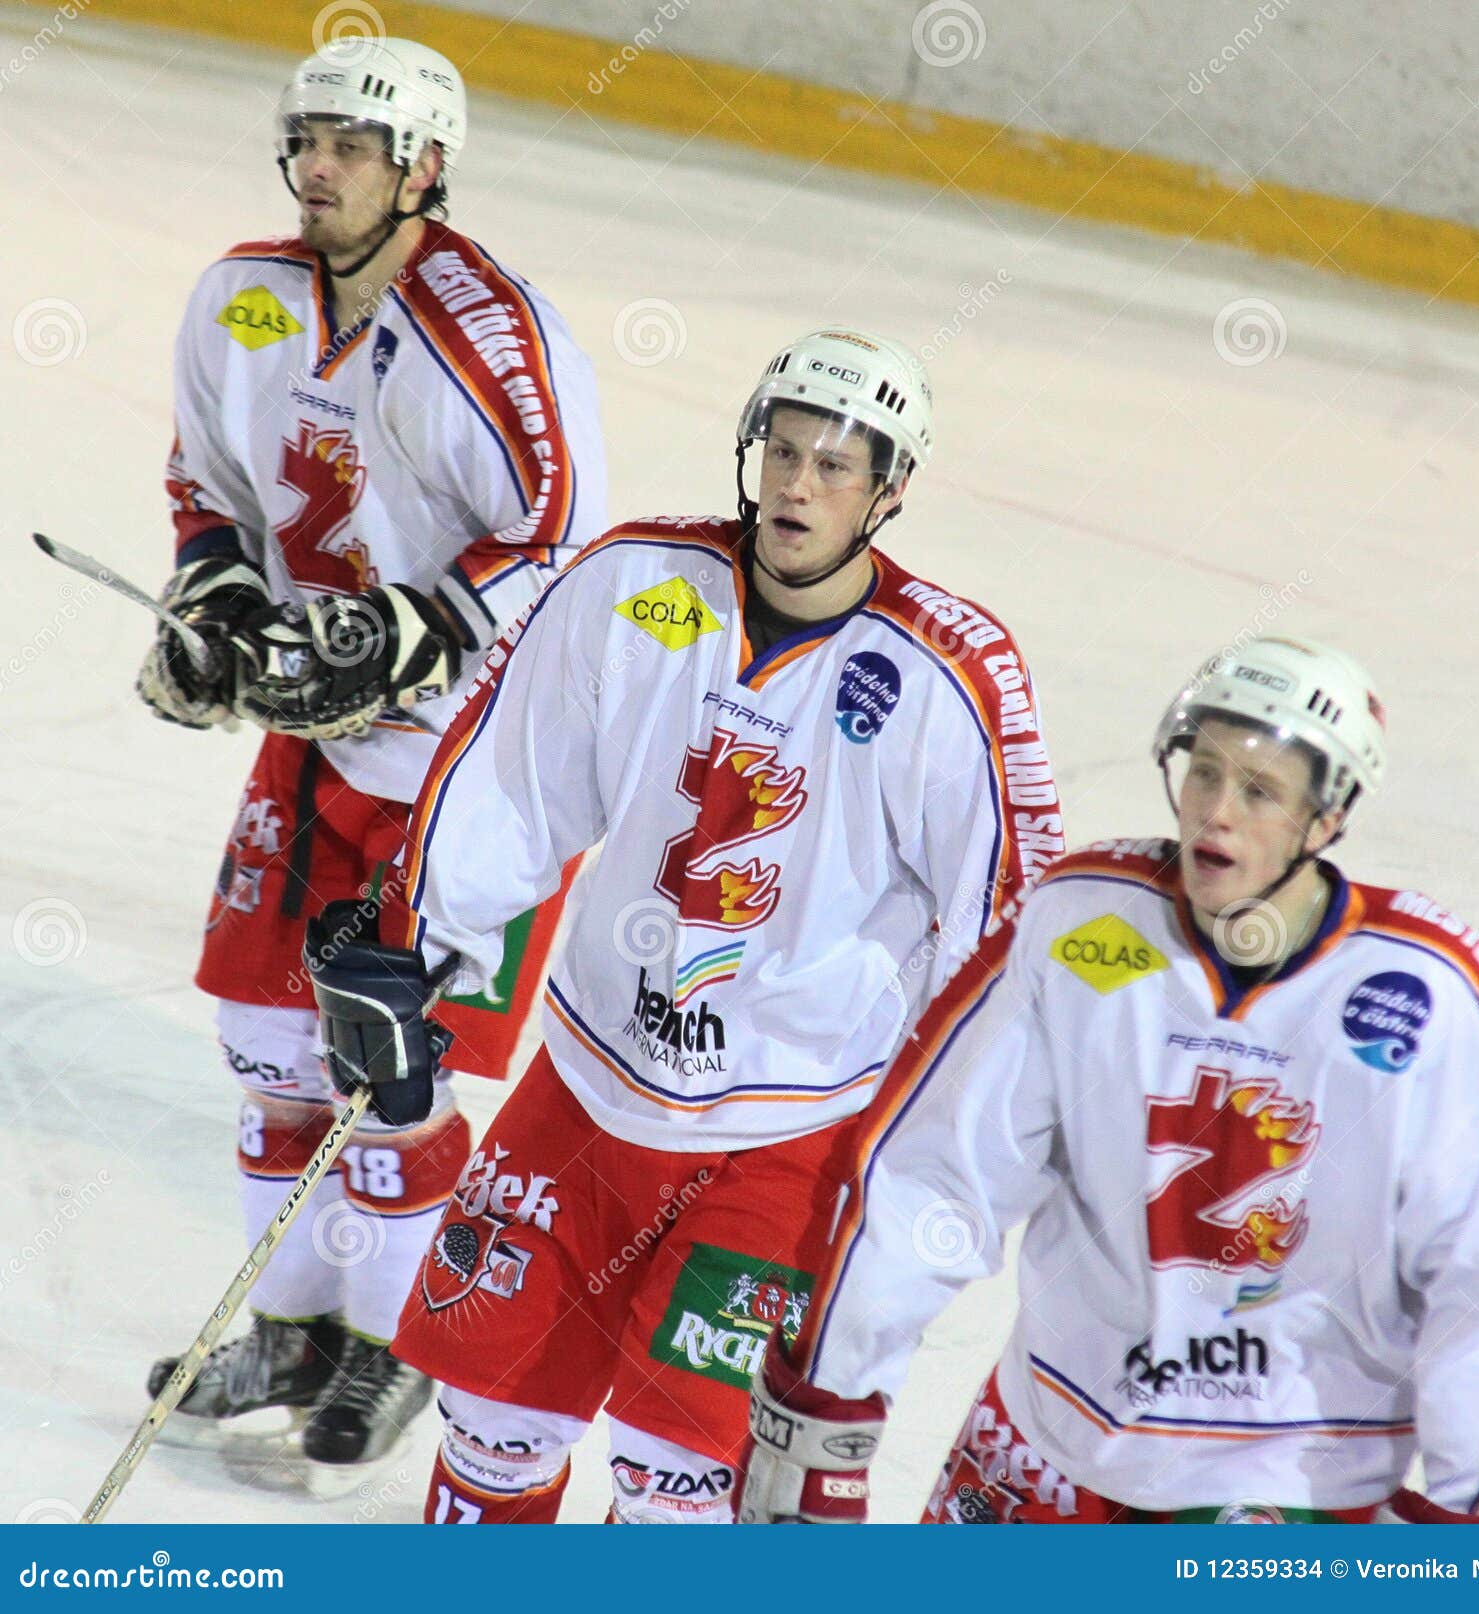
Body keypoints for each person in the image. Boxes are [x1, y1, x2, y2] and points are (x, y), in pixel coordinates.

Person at [301, 327, 1067, 1521]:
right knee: (492, 1428)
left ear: (891, 492)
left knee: (678, 1485)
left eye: (838, 466)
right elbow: (517, 771)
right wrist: (408, 928)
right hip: (590, 1087)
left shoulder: (945, 676)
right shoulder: (636, 581)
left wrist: (946, 1165)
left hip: (785, 1135)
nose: (800, 485)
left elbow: (998, 942)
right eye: (786, 451)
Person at [742, 637, 1479, 1525]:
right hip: (1048, 1448)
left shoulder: (1424, 995)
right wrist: (828, 1406)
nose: (1215, 813)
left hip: (1290, 1490)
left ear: (1328, 818)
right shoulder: (1083, 921)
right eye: (1203, 773)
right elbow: (934, 1171)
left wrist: (1471, 1517)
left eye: (1259, 792)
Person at [135, 34, 606, 1481]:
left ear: (427, 167)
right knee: (269, 1044)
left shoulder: (490, 333)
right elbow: (205, 479)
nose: (322, 167)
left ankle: (396, 1345)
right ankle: (293, 1327)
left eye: (356, 143)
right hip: (315, 746)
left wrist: (410, 625)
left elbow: (556, 544)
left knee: (390, 1073)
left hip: (476, 773)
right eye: (308, 138)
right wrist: (216, 596)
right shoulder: (245, 297)